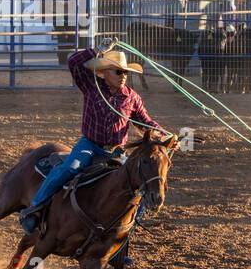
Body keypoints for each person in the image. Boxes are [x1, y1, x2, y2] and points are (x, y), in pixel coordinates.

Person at [18, 44, 163, 251]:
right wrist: (96, 50)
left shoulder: (132, 97)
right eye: (119, 72)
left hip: (115, 151)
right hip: (90, 145)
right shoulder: (91, 86)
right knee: (70, 168)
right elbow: (73, 63)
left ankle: (120, 246)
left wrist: (162, 133)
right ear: (104, 73)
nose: (123, 76)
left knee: (136, 190)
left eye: (126, 73)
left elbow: (145, 122)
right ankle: (33, 211)